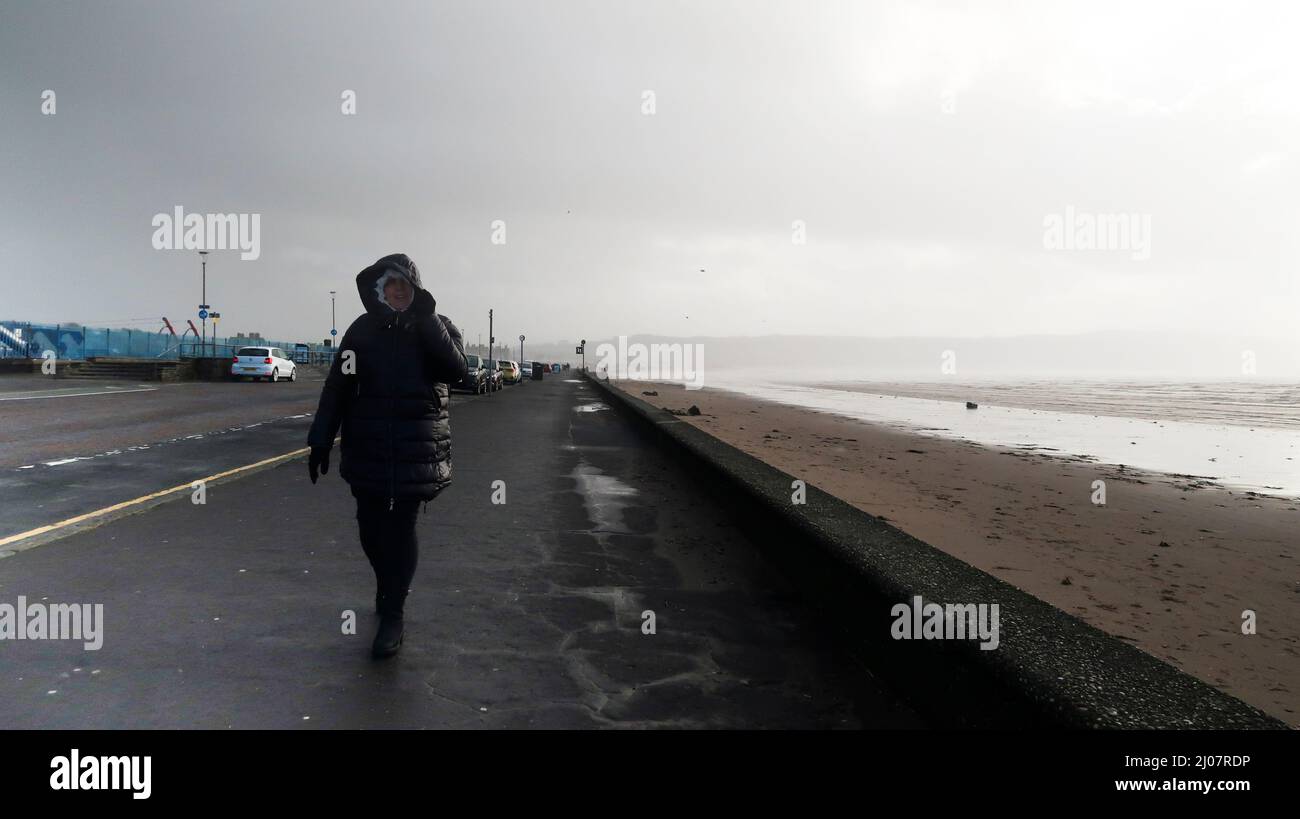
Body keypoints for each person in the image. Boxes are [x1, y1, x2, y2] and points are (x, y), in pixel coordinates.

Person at [306, 253, 468, 658]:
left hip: (417, 447)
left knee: (401, 528)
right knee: (369, 529)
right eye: (390, 285)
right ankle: (386, 582)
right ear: (379, 290)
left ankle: (394, 612)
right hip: (368, 445)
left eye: (404, 285)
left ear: (415, 289)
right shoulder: (361, 331)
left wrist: (426, 319)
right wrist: (321, 438)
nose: (397, 291)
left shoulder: (438, 326)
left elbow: (457, 370)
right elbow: (338, 387)